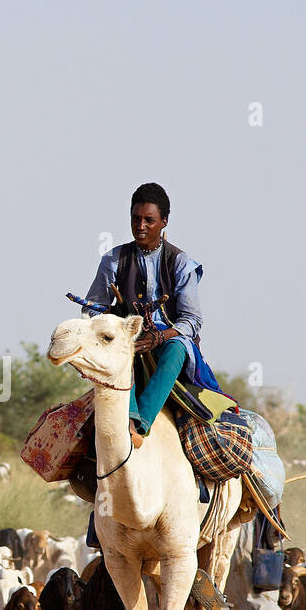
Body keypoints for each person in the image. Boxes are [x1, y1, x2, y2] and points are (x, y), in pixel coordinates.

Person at [83, 182, 226, 449]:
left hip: (169, 340)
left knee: (177, 349)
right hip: (127, 338)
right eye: (135, 219)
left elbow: (191, 321)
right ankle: (127, 416)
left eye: (149, 220)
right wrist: (116, 325)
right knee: (118, 350)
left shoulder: (181, 263)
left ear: (164, 222)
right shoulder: (113, 260)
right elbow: (92, 308)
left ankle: (140, 424)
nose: (141, 226)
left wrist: (159, 336)